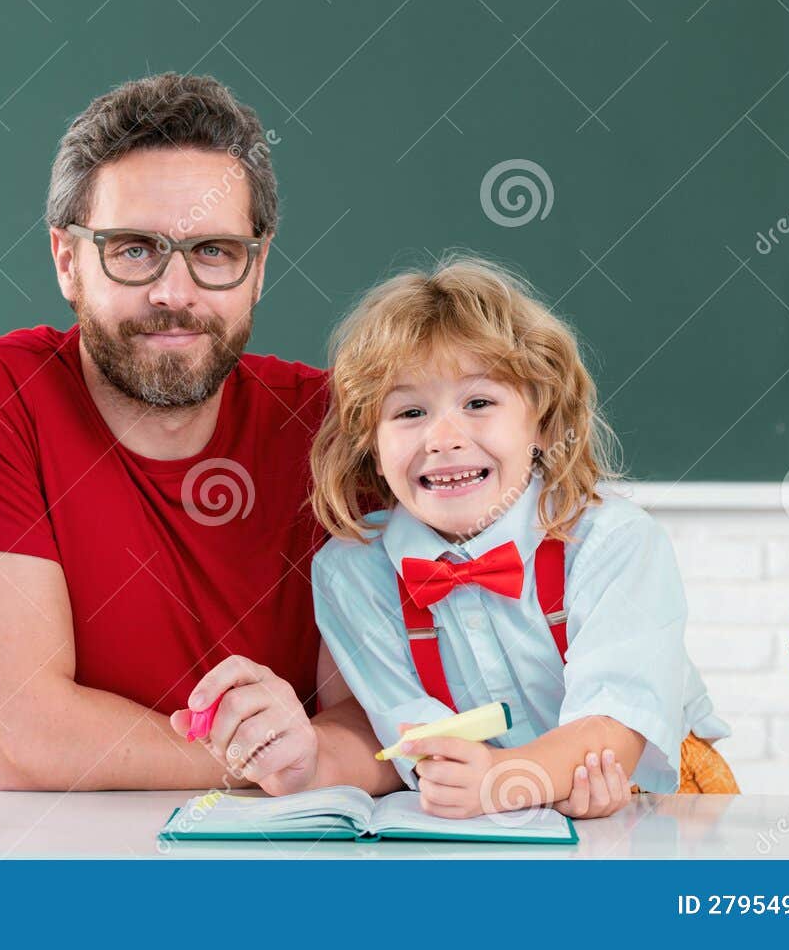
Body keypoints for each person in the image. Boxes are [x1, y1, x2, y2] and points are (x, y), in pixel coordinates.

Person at [0, 72, 397, 797]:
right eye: (133, 249)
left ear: (258, 268)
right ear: (68, 260)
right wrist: (284, 761)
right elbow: (23, 740)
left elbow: (396, 720)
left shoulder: (331, 425)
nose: (174, 293)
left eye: (214, 252)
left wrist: (318, 751)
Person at [308, 255, 737, 819]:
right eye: (410, 411)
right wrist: (493, 783)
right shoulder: (353, 572)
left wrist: (509, 777)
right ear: (370, 443)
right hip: (490, 818)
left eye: (478, 402)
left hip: (655, 796)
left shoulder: (615, 542)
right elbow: (412, 736)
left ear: (543, 421)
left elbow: (620, 720)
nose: (443, 437)